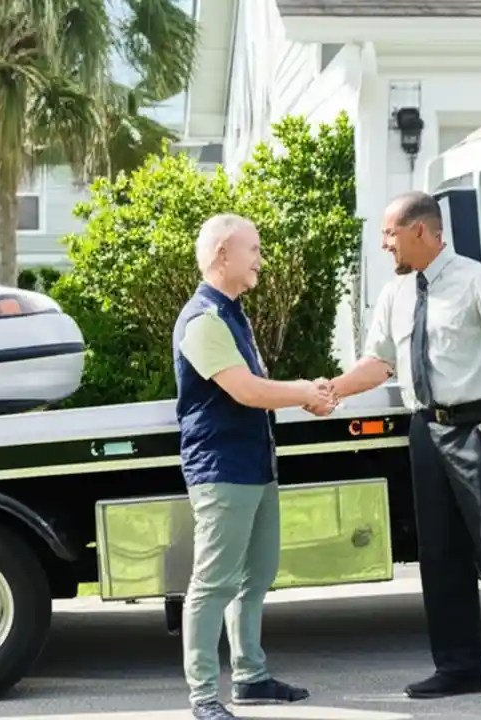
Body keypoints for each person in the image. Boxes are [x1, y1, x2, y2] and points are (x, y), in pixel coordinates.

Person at [324, 191, 481, 715]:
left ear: (420, 231)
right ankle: (458, 668)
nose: (384, 245)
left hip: (479, 430)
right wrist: (332, 389)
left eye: (389, 234)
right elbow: (380, 363)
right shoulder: (396, 294)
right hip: (425, 430)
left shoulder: (479, 281)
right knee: (439, 554)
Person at [172, 213, 335, 720]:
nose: (260, 259)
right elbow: (245, 390)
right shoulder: (203, 319)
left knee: (255, 576)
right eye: (255, 250)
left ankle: (250, 677)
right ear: (223, 254)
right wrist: (305, 392)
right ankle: (203, 696)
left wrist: (304, 394)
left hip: (254, 466)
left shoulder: (232, 315)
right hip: (222, 469)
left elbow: (255, 389)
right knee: (213, 583)